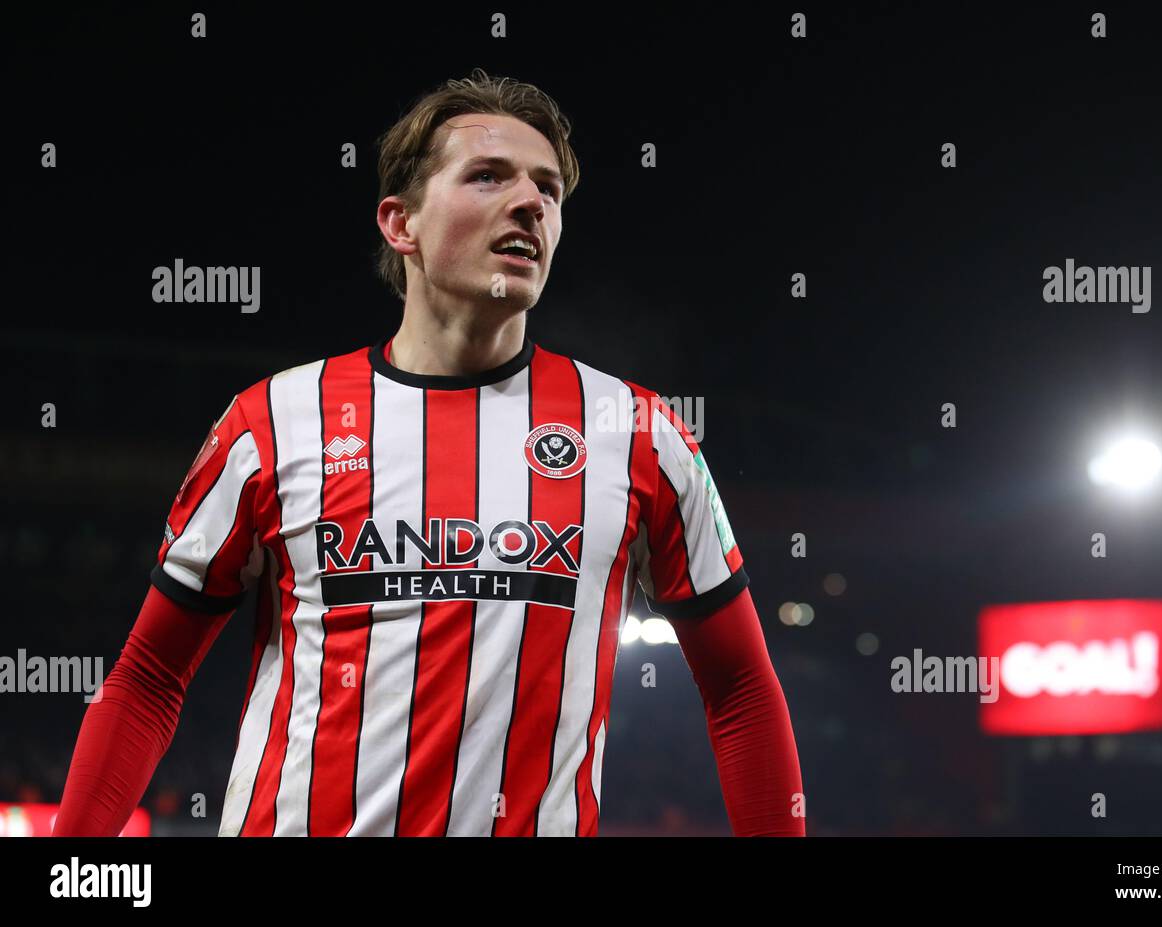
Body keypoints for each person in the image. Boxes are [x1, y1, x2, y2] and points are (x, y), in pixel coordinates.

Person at [54, 69, 803, 837]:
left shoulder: (637, 431)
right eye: (488, 175)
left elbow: (740, 686)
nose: (530, 202)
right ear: (399, 223)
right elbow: (148, 676)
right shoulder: (272, 422)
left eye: (548, 189)